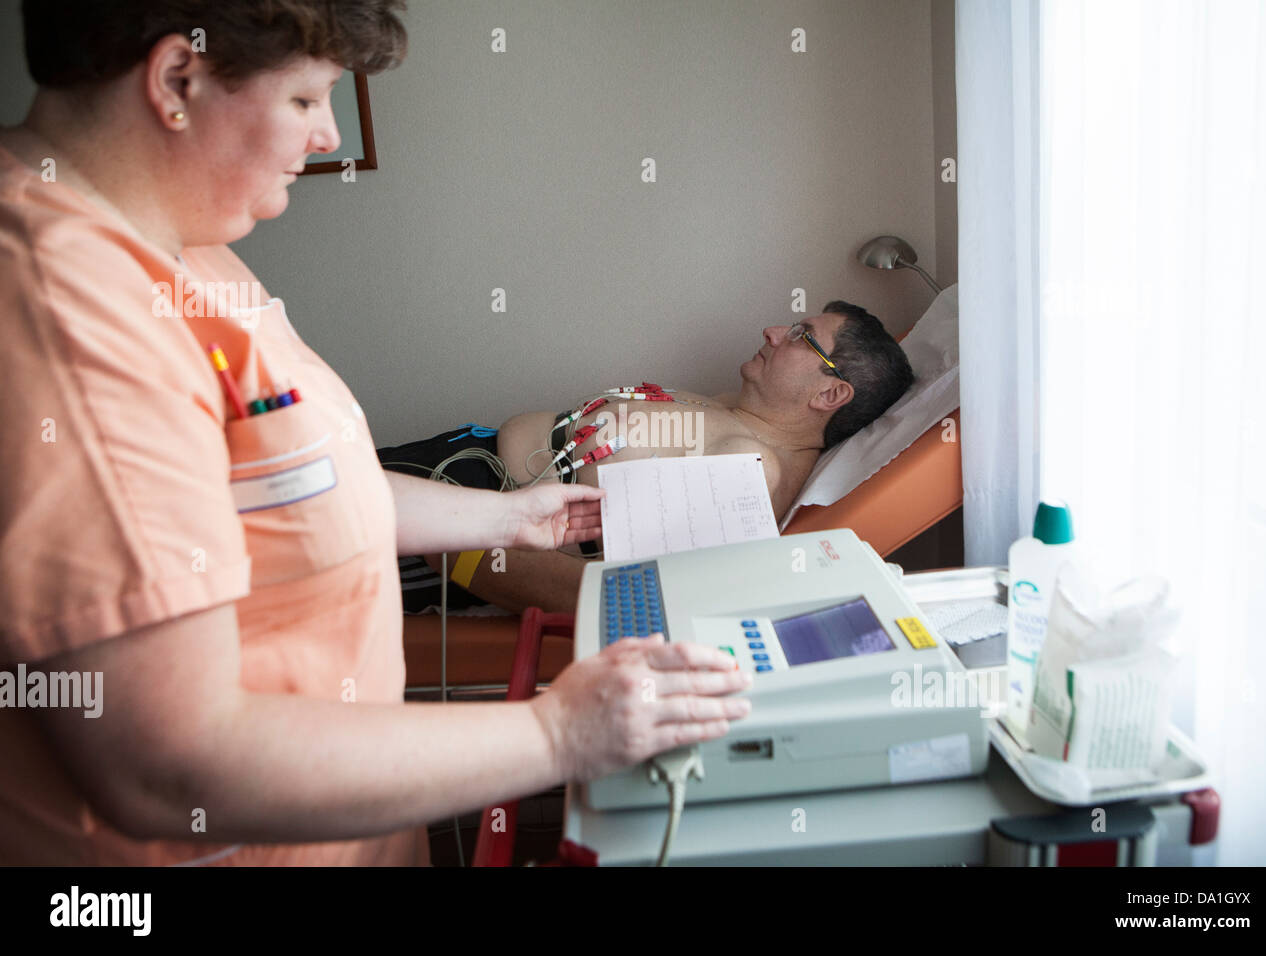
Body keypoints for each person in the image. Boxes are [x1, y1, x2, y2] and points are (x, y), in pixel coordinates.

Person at [0, 0, 751, 866]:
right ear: (178, 80)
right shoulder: (69, 313)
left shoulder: (177, 241)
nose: (325, 136)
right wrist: (559, 734)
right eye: (307, 100)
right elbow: (169, 766)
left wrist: (504, 521)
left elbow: (291, 482)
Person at [381, 302, 914, 614]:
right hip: (456, 463)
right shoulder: (740, 417)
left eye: (802, 336)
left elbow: (626, 591)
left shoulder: (753, 468)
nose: (773, 332)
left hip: (460, 512)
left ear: (829, 395)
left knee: (305, 543)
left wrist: (461, 547)